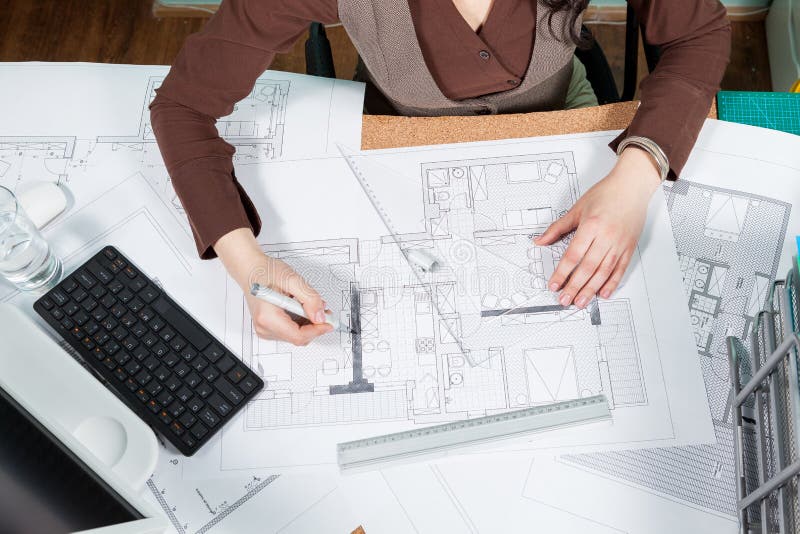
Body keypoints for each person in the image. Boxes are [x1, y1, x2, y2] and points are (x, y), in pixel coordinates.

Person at [150, 0, 731, 346]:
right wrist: (246, 262)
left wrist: (637, 174)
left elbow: (697, 32)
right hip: (404, 141)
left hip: (565, 126)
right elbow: (181, 107)